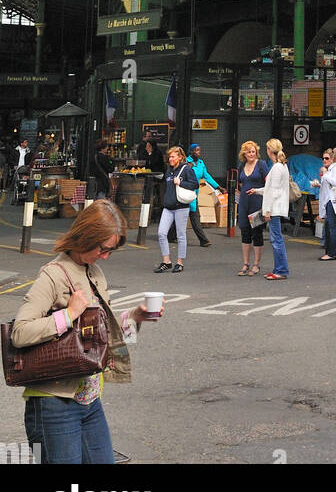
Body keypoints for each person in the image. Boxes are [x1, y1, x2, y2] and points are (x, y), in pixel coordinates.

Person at [11, 200, 158, 464]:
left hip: (90, 400)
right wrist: (68, 314)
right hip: (54, 402)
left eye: (111, 251)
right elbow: (20, 332)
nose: (105, 256)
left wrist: (136, 317)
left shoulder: (95, 273)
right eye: (103, 249)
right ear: (86, 237)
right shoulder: (52, 275)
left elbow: (100, 334)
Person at [153, 146, 198, 274]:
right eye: (170, 157)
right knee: (161, 233)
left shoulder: (186, 169)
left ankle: (180, 262)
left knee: (181, 235)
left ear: (180, 157)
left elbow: (195, 184)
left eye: (173, 156)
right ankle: (166, 261)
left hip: (181, 207)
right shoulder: (169, 170)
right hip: (168, 207)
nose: (170, 159)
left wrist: (181, 183)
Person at [236, 140, 270, 277]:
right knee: (245, 232)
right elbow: (240, 183)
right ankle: (245, 263)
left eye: (253, 151)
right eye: (248, 151)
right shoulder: (242, 165)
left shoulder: (261, 165)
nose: (251, 154)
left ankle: (256, 264)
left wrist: (257, 191)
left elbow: (269, 185)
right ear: (244, 153)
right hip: (244, 203)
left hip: (258, 203)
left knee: (256, 233)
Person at [261, 139, 291, 279]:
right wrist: (257, 190)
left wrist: (268, 210)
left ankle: (281, 270)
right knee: (276, 239)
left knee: (276, 240)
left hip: (275, 208)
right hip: (277, 207)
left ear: (269, 150)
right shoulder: (281, 166)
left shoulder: (277, 167)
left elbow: (275, 190)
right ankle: (279, 269)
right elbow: (272, 189)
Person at [311, 150, 336, 261]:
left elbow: (335, 182)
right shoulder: (329, 170)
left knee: (333, 227)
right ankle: (333, 252)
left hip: (333, 201)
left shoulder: (334, 169)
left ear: (332, 159)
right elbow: (327, 187)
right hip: (328, 201)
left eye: (327, 158)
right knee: (331, 227)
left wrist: (325, 174)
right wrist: (318, 184)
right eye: (323, 158)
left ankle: (333, 253)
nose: (324, 160)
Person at [184, 144, 221, 247]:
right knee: (195, 216)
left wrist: (218, 187)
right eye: (196, 150)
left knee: (185, 213)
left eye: (199, 150)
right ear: (191, 152)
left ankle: (171, 235)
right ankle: (203, 240)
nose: (199, 152)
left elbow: (206, 176)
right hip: (186, 193)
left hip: (194, 193)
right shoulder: (186, 162)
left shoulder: (200, 163)